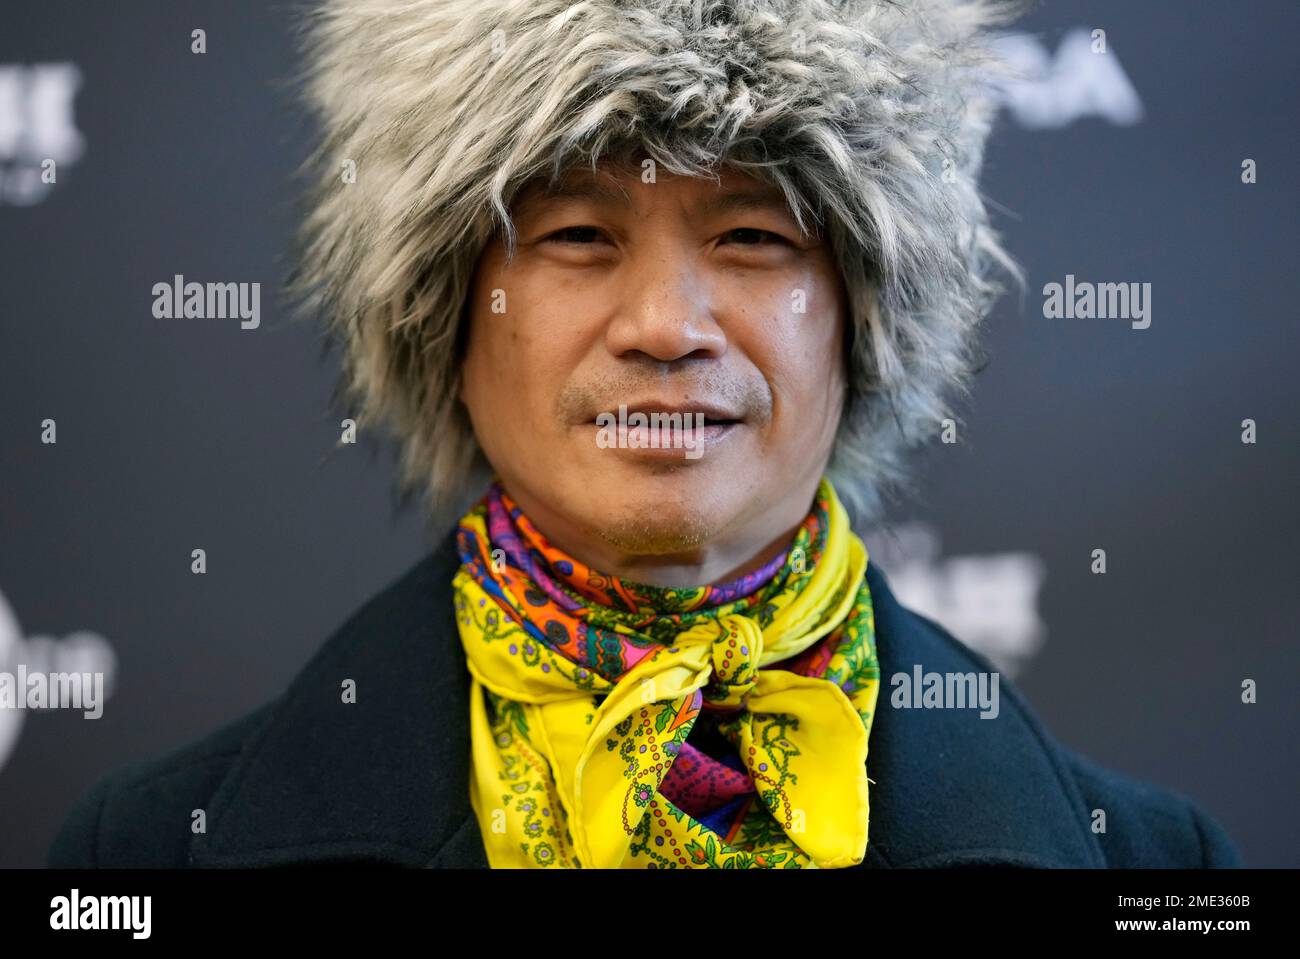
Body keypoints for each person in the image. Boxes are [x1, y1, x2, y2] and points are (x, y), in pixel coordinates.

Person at [48, 0, 1240, 869]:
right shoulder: (144, 855)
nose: (667, 325)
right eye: (575, 235)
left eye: (754, 238)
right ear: (444, 315)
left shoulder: (1158, 867)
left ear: (863, 320)